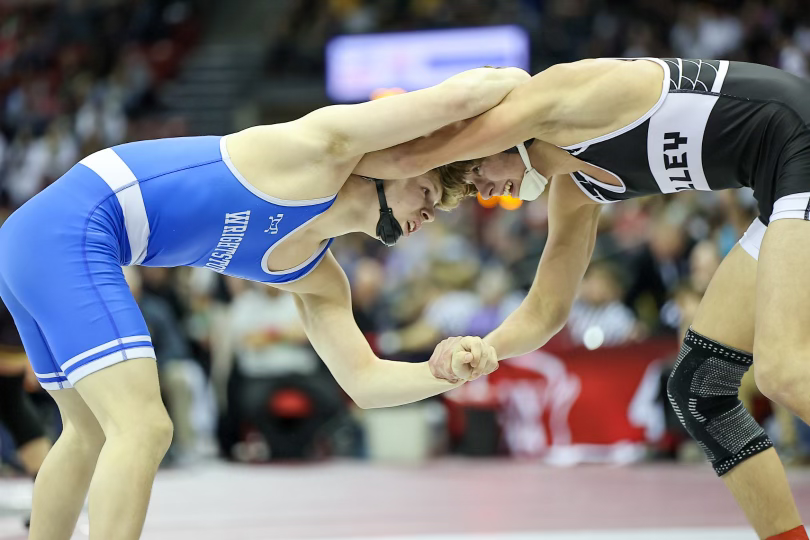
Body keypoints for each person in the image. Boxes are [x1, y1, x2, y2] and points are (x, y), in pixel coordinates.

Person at [0, 66, 524, 540]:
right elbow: (464, 96)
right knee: (142, 427)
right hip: (70, 231)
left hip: (34, 240)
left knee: (88, 431)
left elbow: (364, 384)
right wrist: (553, 105)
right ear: (396, 163)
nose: (431, 215)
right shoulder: (315, 151)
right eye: (429, 194)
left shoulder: (316, 276)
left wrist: (442, 373)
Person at [360, 57, 810, 540]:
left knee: (783, 371)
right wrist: (488, 347)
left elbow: (409, 157)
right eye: (473, 189)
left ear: (492, 127)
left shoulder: (558, 97)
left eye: (475, 172)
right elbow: (546, 310)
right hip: (779, 183)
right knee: (700, 387)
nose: (485, 190)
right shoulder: (576, 189)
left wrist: (327, 168)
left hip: (799, 142)